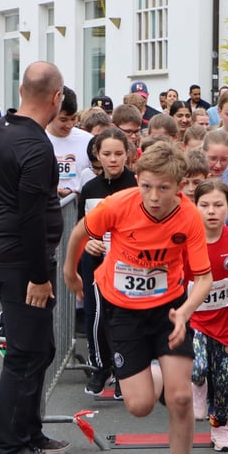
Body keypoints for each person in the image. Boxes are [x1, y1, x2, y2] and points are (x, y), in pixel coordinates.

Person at [65, 141, 212, 454]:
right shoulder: (119, 205)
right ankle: (158, 375)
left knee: (181, 401)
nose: (153, 195)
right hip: (122, 311)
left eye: (163, 188)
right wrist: (69, 271)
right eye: (146, 185)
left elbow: (205, 278)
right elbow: (80, 234)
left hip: (169, 310)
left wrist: (186, 312)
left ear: (178, 187)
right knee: (140, 405)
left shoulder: (189, 216)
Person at [0, 61, 69, 454]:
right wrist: (39, 276)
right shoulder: (35, 148)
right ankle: (10, 448)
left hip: (5, 254)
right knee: (25, 352)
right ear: (56, 98)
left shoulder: (0, 128)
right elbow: (31, 216)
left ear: (20, 90)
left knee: (41, 348)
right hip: (21, 262)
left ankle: (29, 432)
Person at [77, 128, 137, 397]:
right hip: (96, 261)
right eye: (107, 154)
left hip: (128, 262)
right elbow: (82, 227)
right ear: (97, 156)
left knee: (124, 318)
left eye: (118, 154)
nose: (113, 159)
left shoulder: (136, 185)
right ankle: (101, 366)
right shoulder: (89, 188)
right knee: (95, 314)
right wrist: (88, 242)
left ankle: (125, 372)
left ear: (127, 154)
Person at [188, 179, 228, 452]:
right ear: (194, 206)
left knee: (223, 380)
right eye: (204, 205)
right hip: (195, 319)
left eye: (218, 205)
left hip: (225, 321)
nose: (211, 211)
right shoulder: (187, 240)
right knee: (199, 367)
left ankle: (220, 428)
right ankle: (198, 387)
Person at [46, 87, 93, 197]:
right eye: (63, 120)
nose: (69, 125)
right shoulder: (38, 139)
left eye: (73, 119)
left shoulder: (88, 141)